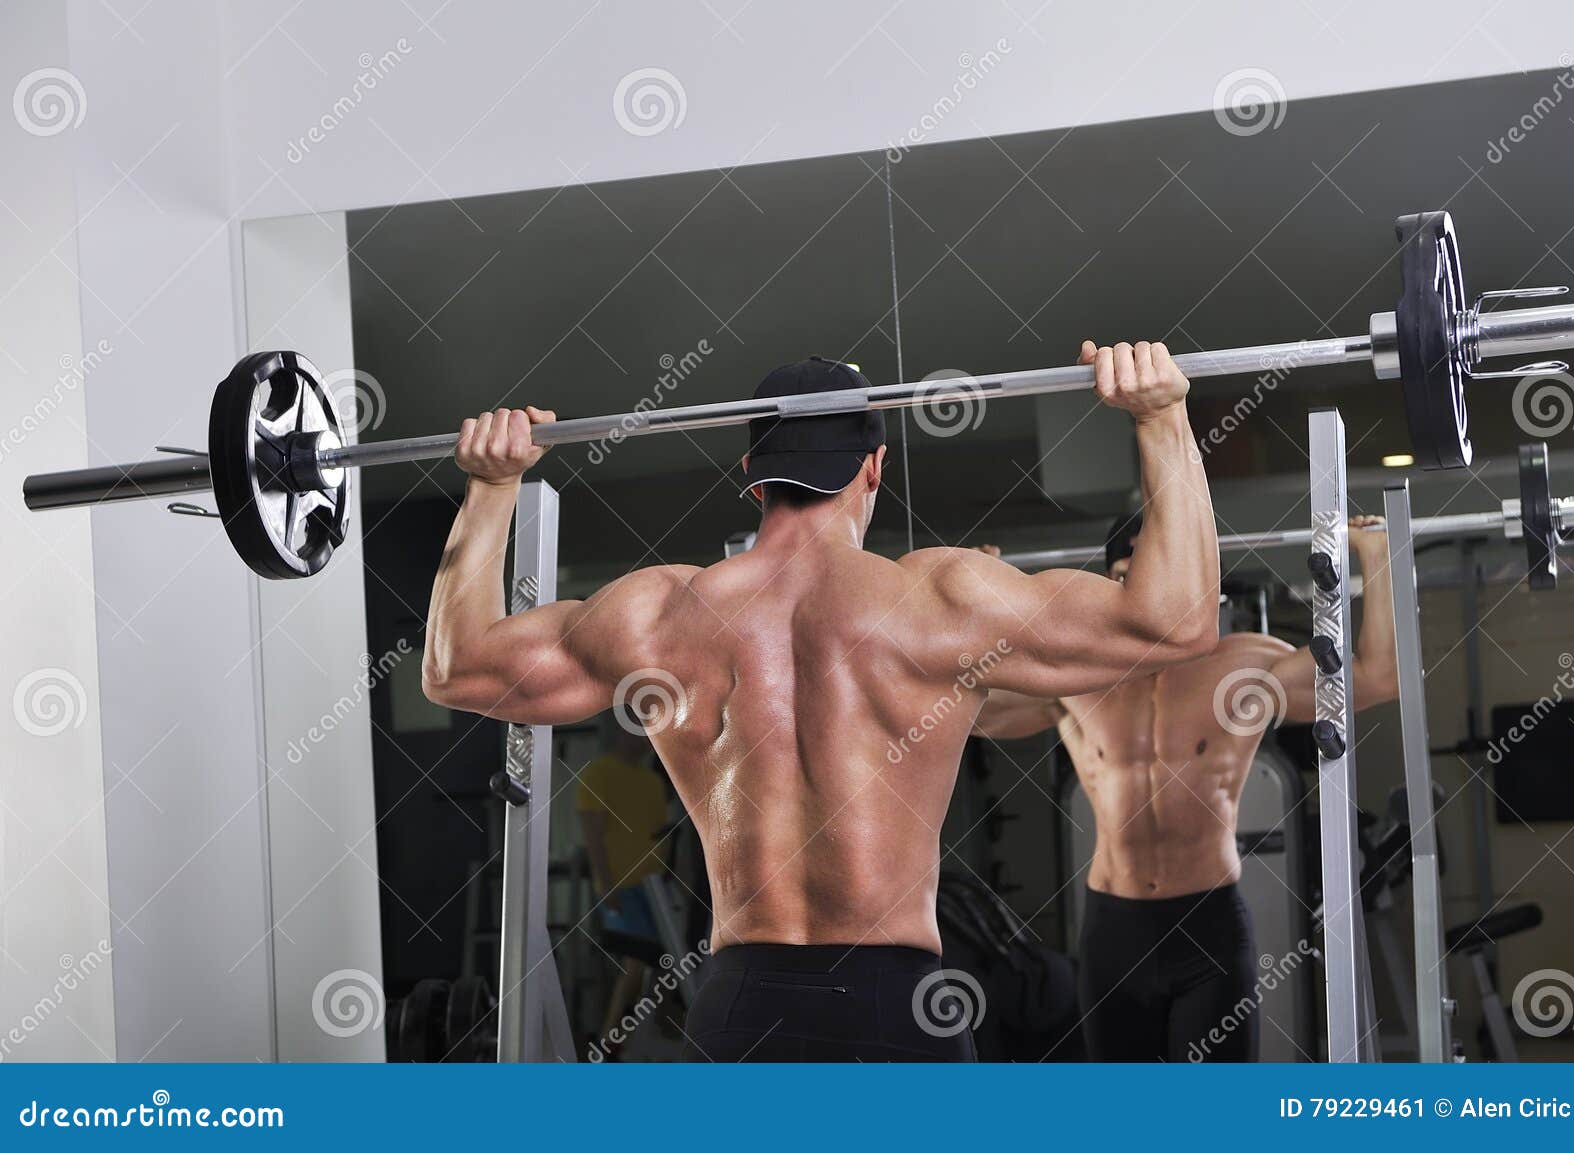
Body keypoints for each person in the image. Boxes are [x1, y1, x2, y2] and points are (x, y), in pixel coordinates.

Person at [422, 342, 1220, 1061]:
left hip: (740, 1007)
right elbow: (1178, 621)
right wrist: (1161, 416)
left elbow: (457, 669)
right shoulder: (940, 599)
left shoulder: (661, 616)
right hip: (896, 1009)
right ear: (874, 467)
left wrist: (493, 488)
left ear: (754, 476)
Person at [974, 511, 1398, 1061]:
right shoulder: (1073, 676)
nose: (1143, 594)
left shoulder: (1245, 666)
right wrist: (982, 606)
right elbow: (967, 711)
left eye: (1156, 576)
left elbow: (1378, 678)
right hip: (1113, 934)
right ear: (1110, 586)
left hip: (1209, 931)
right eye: (1127, 577)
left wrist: (1376, 553)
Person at [576, 708, 671, 1057]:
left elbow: (662, 836)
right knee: (636, 964)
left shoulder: (653, 782)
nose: (648, 738)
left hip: (658, 891)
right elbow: (594, 836)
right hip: (622, 888)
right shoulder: (599, 774)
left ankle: (642, 1041)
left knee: (662, 966)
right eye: (642, 729)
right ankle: (607, 1045)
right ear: (622, 731)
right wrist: (604, 885)